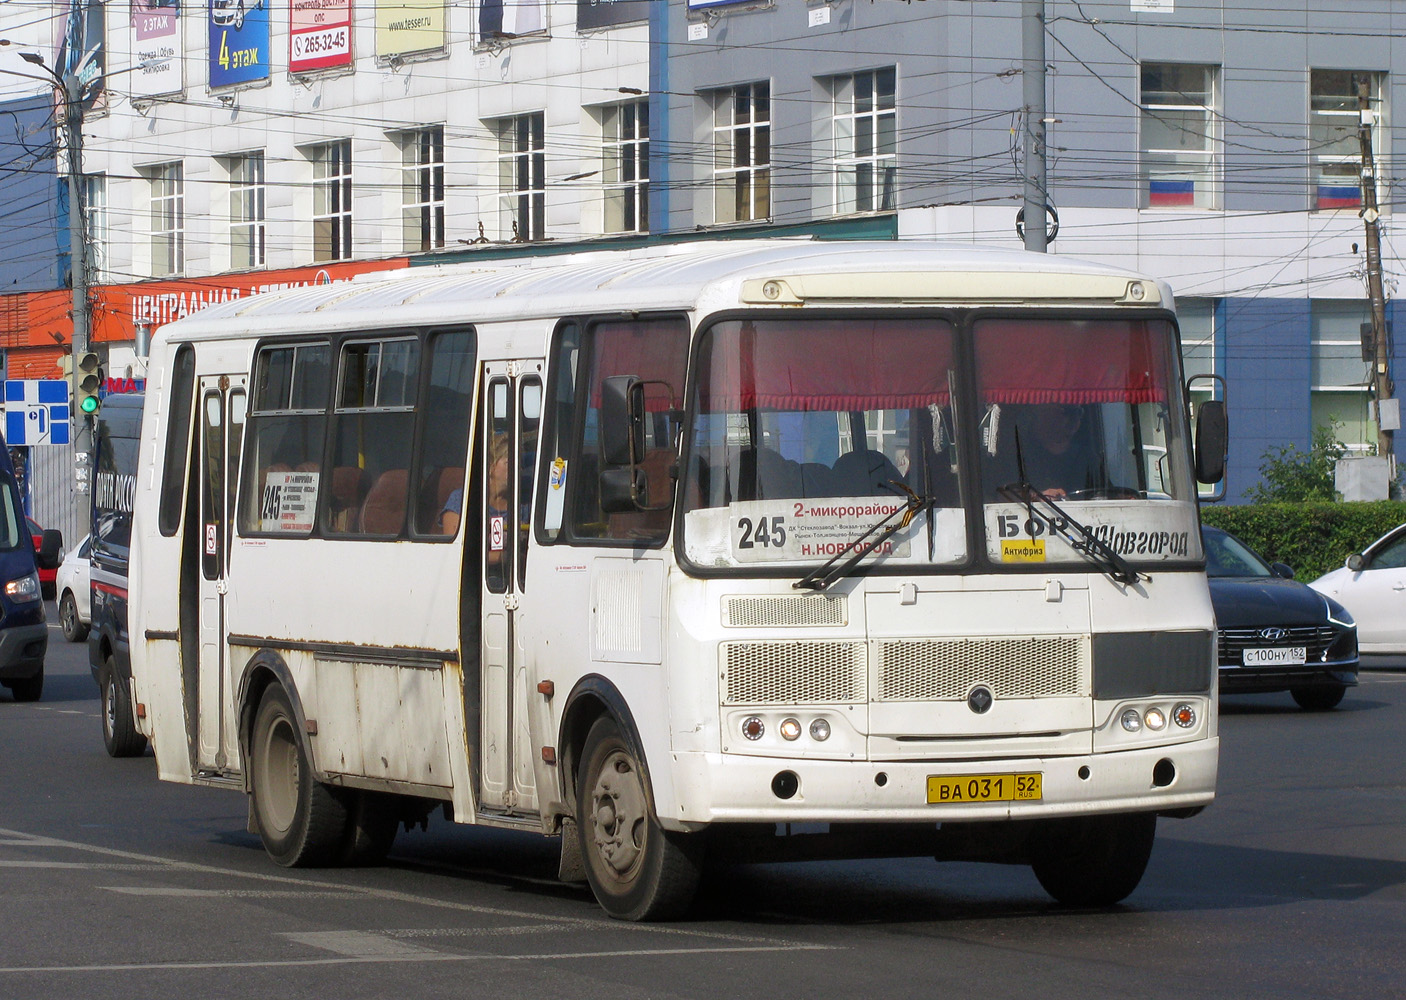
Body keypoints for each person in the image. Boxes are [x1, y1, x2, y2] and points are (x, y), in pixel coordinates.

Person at [1012, 403, 1105, 499]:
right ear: (1040, 414)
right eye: (1066, 412)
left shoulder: (1088, 458)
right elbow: (1004, 494)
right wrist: (1037, 497)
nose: (1074, 419)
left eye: (1078, 413)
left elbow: (1107, 495)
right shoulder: (1019, 455)